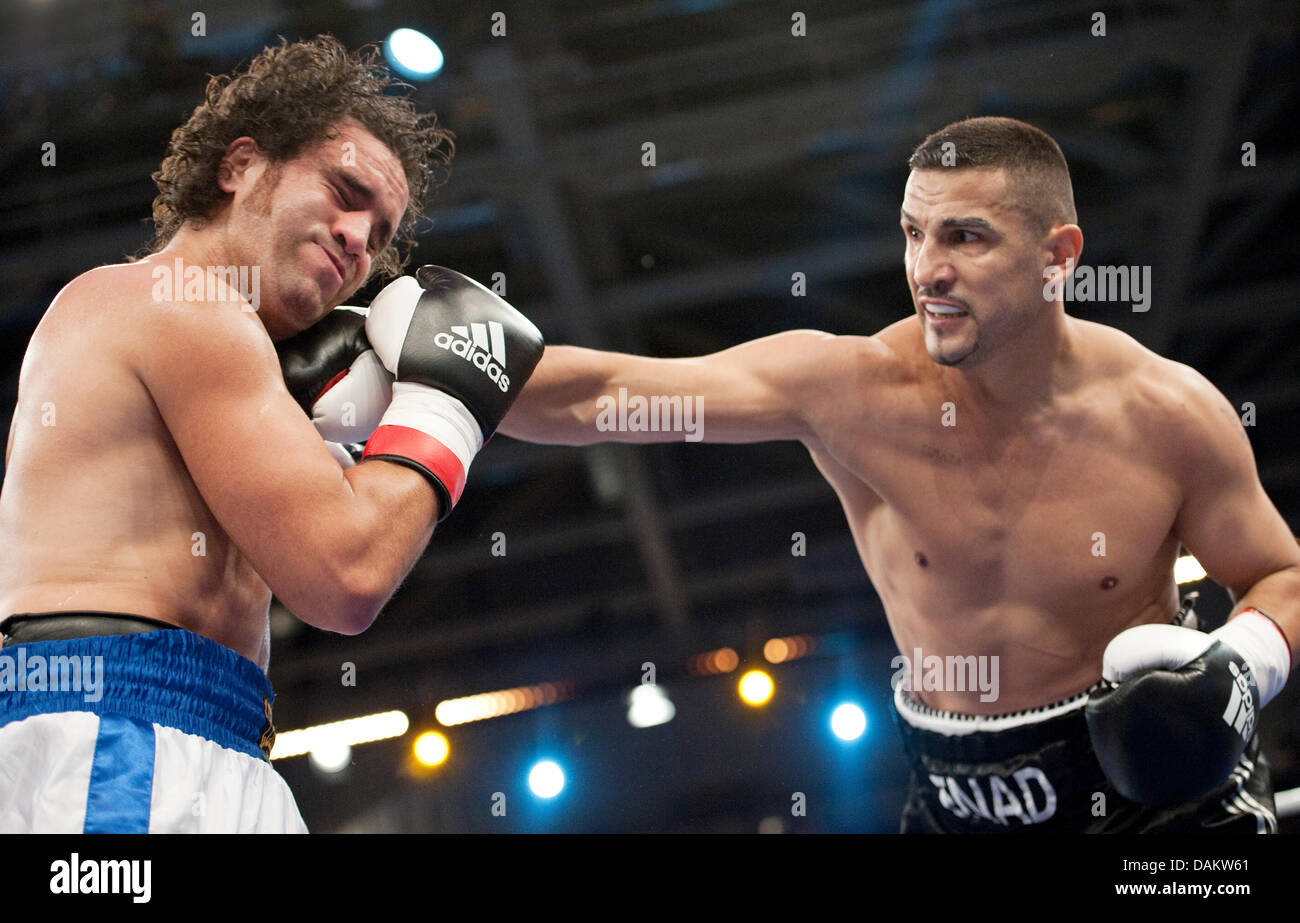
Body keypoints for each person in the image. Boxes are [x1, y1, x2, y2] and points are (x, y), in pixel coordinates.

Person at [497, 116, 1298, 832]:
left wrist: (1242, 666)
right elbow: (598, 397)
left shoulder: (1166, 413)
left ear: (1059, 258)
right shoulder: (851, 392)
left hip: (1154, 796)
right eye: (914, 233)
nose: (927, 268)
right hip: (954, 797)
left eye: (965, 237)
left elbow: (1280, 572)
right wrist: (408, 374)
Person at [0, 36, 543, 833]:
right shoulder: (174, 303)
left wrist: (779, 389)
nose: (361, 237)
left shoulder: (254, 366)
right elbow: (345, 572)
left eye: (381, 232)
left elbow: (568, 390)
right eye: (344, 189)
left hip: (224, 739)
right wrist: (447, 407)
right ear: (240, 166)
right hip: (111, 734)